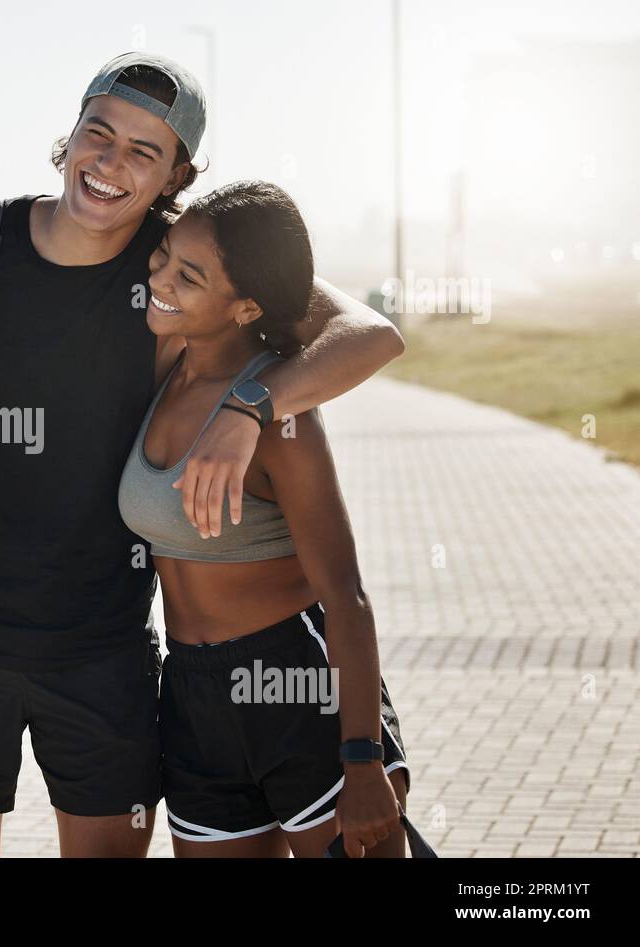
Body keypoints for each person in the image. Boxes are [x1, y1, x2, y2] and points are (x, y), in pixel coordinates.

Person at [0, 52, 404, 858]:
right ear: (70, 132)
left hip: (102, 652)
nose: (109, 163)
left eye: (144, 151)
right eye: (98, 133)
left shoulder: (180, 264)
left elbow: (371, 335)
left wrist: (253, 408)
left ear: (177, 174)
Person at [116, 180, 409, 857]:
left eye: (189, 276)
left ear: (246, 305)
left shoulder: (284, 417)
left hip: (301, 690)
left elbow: (345, 595)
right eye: (163, 257)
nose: (160, 278)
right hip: (190, 697)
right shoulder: (162, 372)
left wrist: (363, 760)